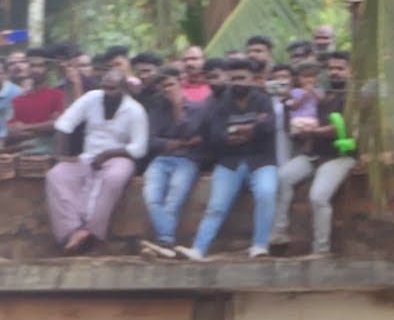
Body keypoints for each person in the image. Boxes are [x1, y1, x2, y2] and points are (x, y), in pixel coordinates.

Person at [176, 59, 277, 260]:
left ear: (252, 79)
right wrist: (247, 131)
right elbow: (215, 134)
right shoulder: (220, 102)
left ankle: (259, 246)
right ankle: (198, 249)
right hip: (230, 161)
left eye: (242, 78)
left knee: (266, 194)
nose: (238, 82)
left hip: (261, 160)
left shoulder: (263, 99)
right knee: (216, 206)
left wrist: (246, 131)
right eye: (234, 79)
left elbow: (269, 126)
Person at [44, 70, 148, 253]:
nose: (107, 93)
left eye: (112, 89)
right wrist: (60, 156)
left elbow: (139, 148)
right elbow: (64, 123)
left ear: (123, 89)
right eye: (105, 87)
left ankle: (91, 233)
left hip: (120, 157)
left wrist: (108, 154)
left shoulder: (135, 110)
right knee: (56, 175)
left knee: (112, 179)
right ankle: (72, 231)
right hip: (88, 156)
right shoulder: (92, 98)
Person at [271, 52, 356, 255]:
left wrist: (313, 131)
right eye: (331, 68)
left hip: (339, 157)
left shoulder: (354, 97)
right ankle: (280, 232)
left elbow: (341, 128)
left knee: (318, 197)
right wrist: (291, 116)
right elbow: (299, 121)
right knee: (283, 177)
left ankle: (321, 251)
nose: (334, 72)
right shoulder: (321, 95)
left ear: (350, 71)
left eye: (340, 68)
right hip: (313, 155)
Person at [140, 68, 207, 258]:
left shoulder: (197, 108)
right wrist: (177, 143)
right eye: (164, 86)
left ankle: (165, 241)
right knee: (151, 196)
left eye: (171, 84)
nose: (167, 89)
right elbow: (151, 141)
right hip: (161, 160)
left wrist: (178, 107)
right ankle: (166, 241)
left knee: (174, 198)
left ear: (180, 83)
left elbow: (195, 135)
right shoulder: (157, 111)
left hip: (187, 160)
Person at [8, 46, 65, 154]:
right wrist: (43, 128)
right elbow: (13, 131)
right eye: (32, 65)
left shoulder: (58, 95)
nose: (35, 70)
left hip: (49, 154)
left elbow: (56, 124)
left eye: (40, 66)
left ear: (47, 68)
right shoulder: (17, 100)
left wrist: (26, 127)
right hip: (21, 155)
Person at [286, 62, 322, 138]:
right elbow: (294, 106)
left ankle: (307, 146)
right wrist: (304, 95)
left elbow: (321, 103)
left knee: (312, 134)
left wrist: (313, 92)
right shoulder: (295, 91)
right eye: (305, 77)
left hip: (313, 119)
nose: (309, 79)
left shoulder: (318, 91)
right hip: (298, 119)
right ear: (299, 79)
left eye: (312, 76)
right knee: (296, 130)